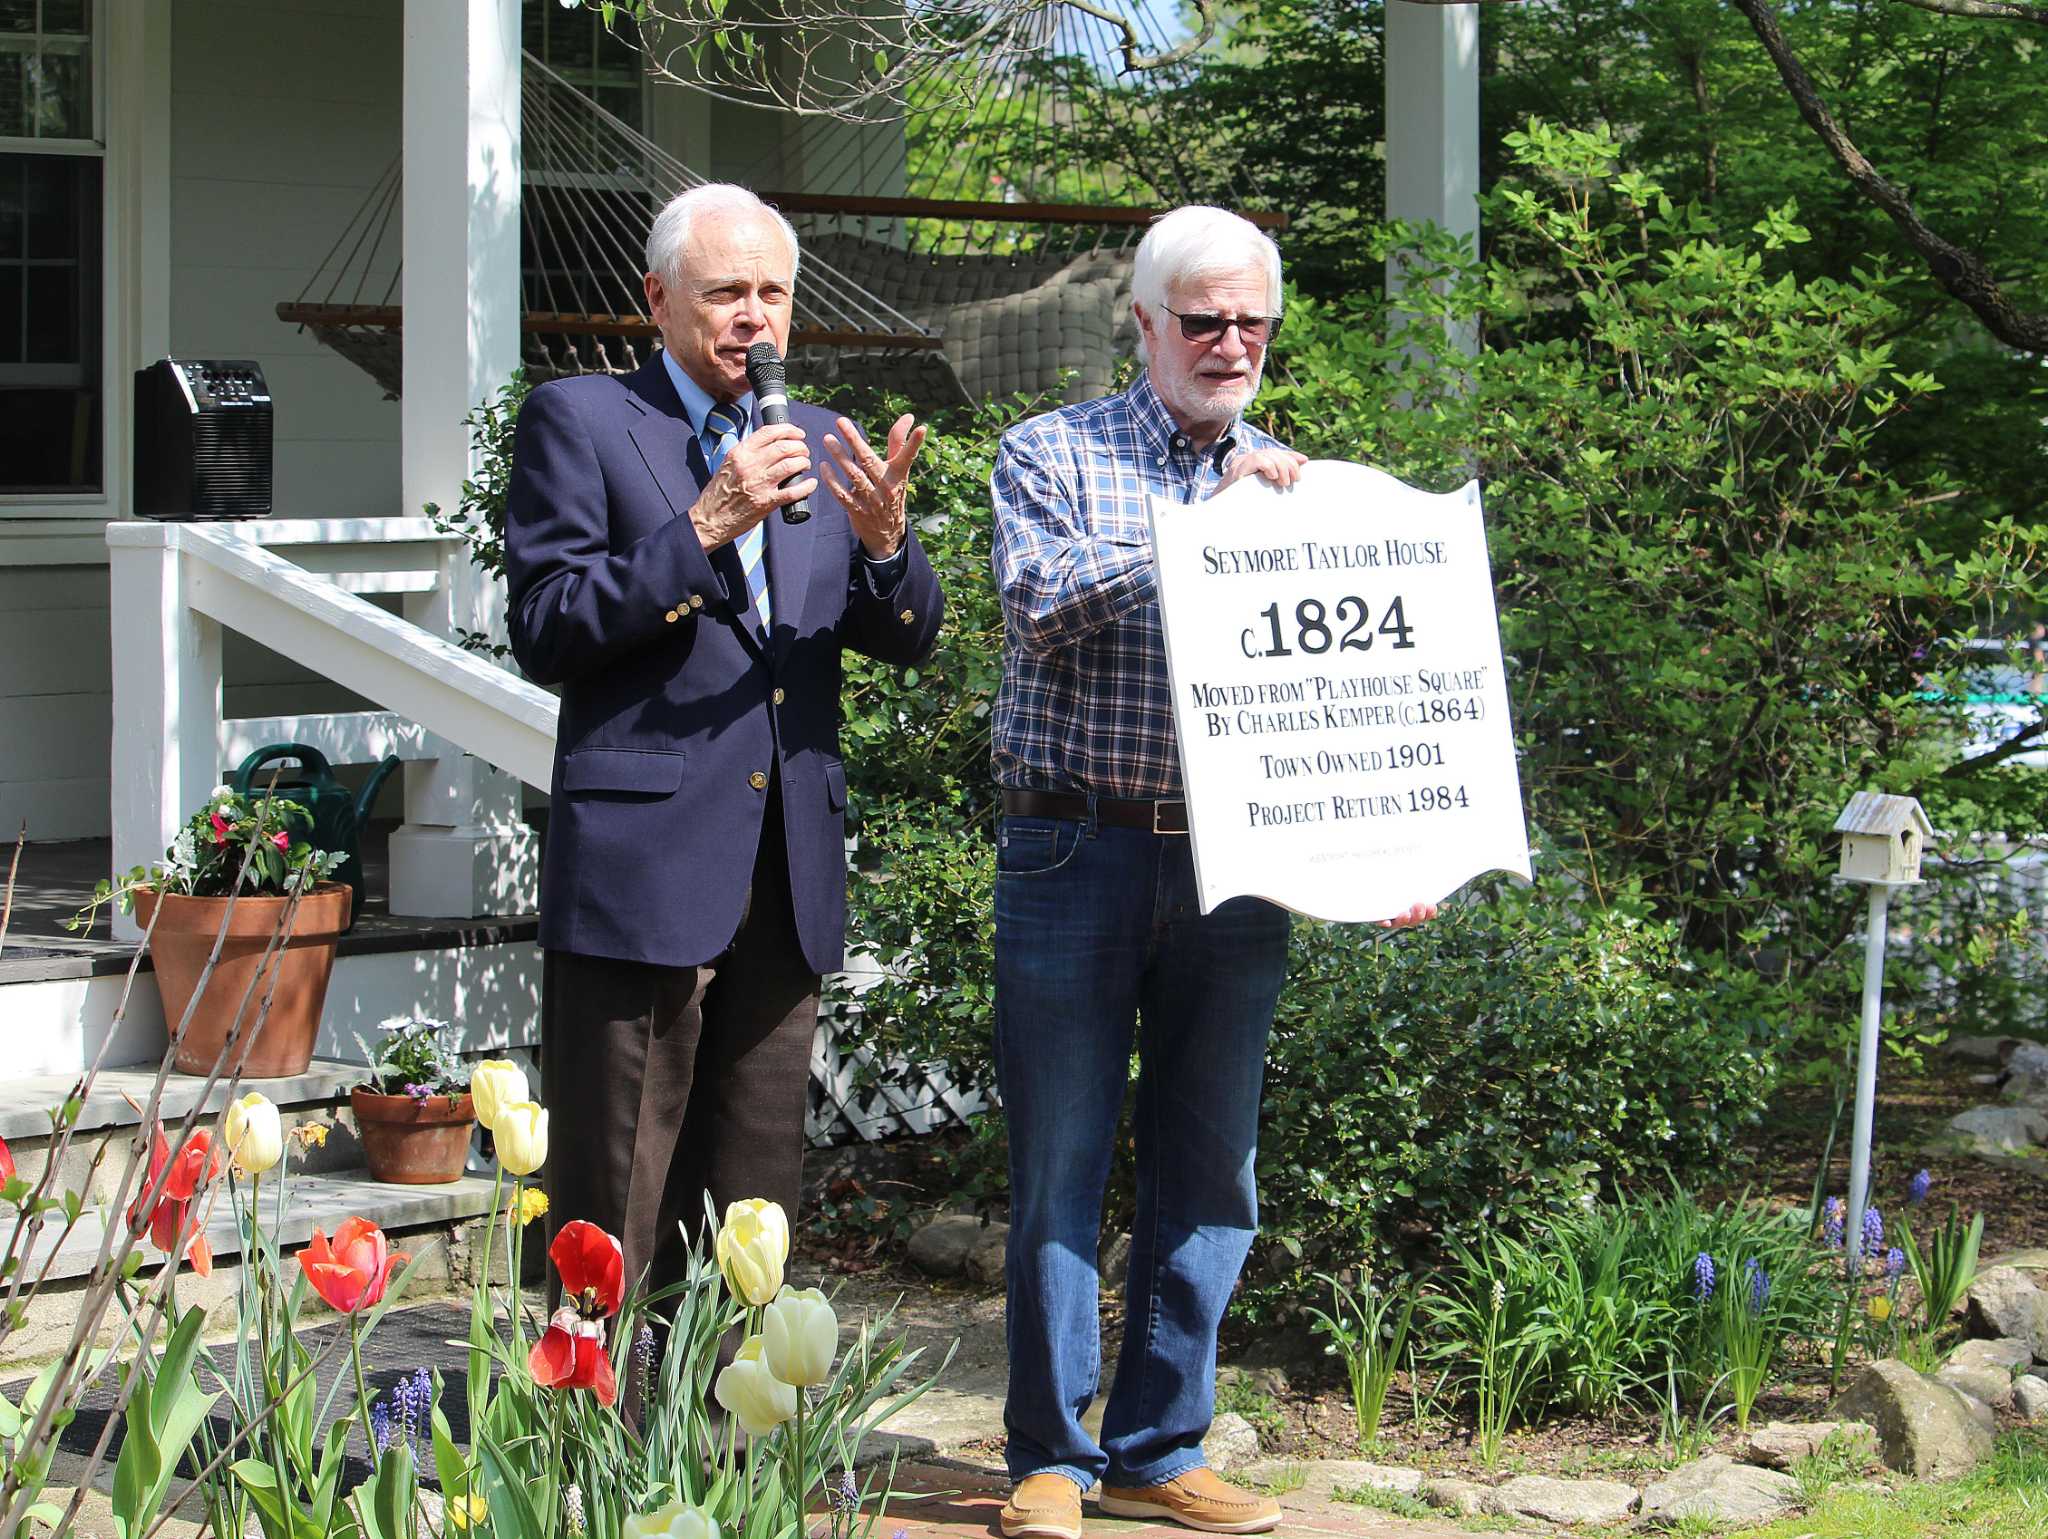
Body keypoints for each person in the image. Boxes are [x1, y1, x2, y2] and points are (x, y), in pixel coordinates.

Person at [989, 206, 1434, 1539]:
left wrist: (1388, 847)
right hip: (1075, 844)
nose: (1231, 343)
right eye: (1204, 320)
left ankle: (1161, 1444)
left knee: (1211, 1163)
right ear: (1144, 324)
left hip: (1239, 865)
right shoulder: (1052, 453)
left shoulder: (1312, 491)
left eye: (1253, 321)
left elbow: (1361, 700)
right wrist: (1199, 531)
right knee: (1061, 1156)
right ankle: (1052, 1461)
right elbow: (1038, 604)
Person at [504, 183, 943, 1303]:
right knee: (615, 1194)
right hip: (643, 865)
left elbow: (905, 637)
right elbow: (546, 627)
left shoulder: (821, 442)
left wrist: (888, 548)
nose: (754, 316)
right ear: (657, 300)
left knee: (750, 1207)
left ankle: (729, 1457)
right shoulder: (585, 420)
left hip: (783, 872)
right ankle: (589, 1462)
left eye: (772, 293)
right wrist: (704, 526)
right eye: (726, 292)